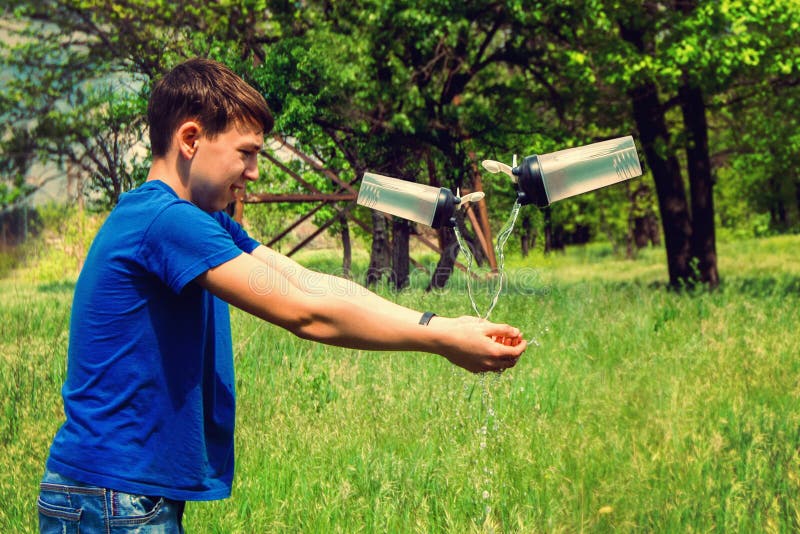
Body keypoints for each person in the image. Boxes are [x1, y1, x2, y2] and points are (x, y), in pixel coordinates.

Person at [37, 57, 527, 533]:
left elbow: (311, 283)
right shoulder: (166, 221)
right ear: (190, 139)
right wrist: (440, 340)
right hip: (110, 496)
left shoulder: (201, 222)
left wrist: (441, 324)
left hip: (114, 494)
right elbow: (306, 314)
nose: (253, 171)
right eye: (246, 152)